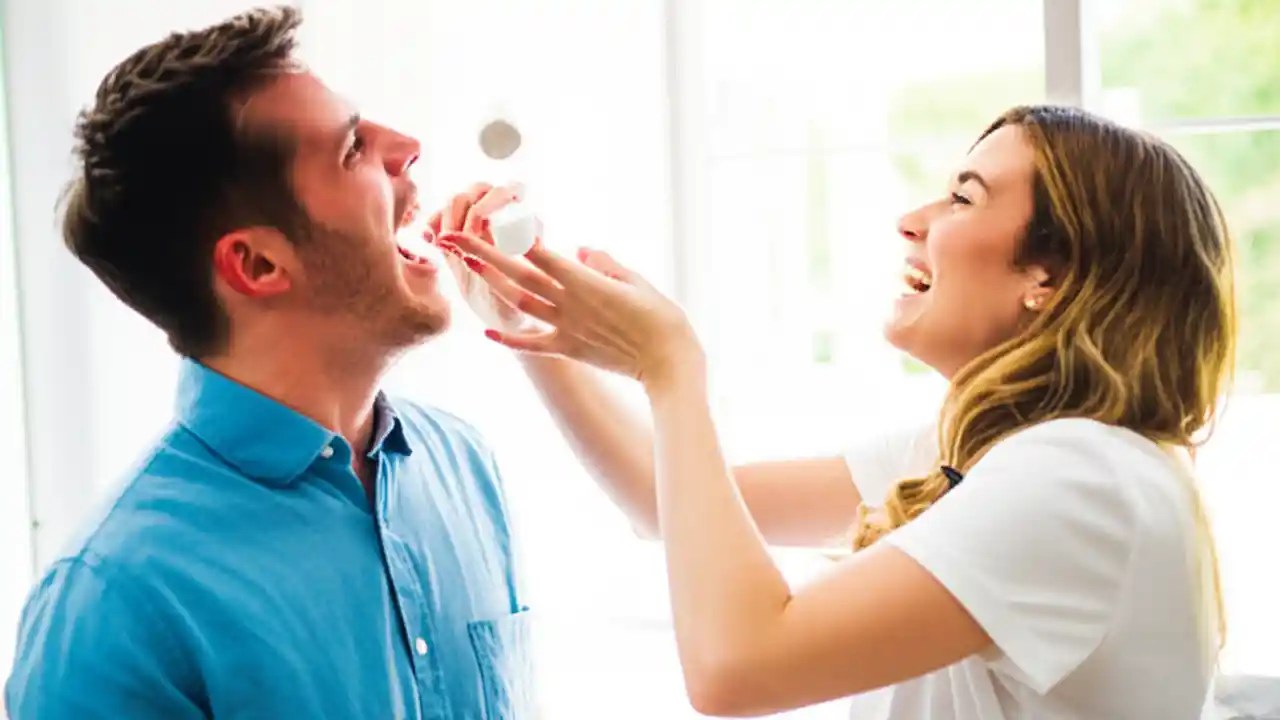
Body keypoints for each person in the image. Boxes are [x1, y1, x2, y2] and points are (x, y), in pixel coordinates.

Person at [441, 105, 1234, 719]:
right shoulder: (980, 448)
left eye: (964, 195)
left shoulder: (1079, 476)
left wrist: (672, 366)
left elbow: (736, 667)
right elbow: (663, 499)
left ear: (1052, 278)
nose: (913, 219)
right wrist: (524, 320)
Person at [5, 7, 534, 719]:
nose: (408, 146)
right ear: (257, 263)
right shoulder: (114, 606)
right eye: (352, 149)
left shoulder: (461, 464)